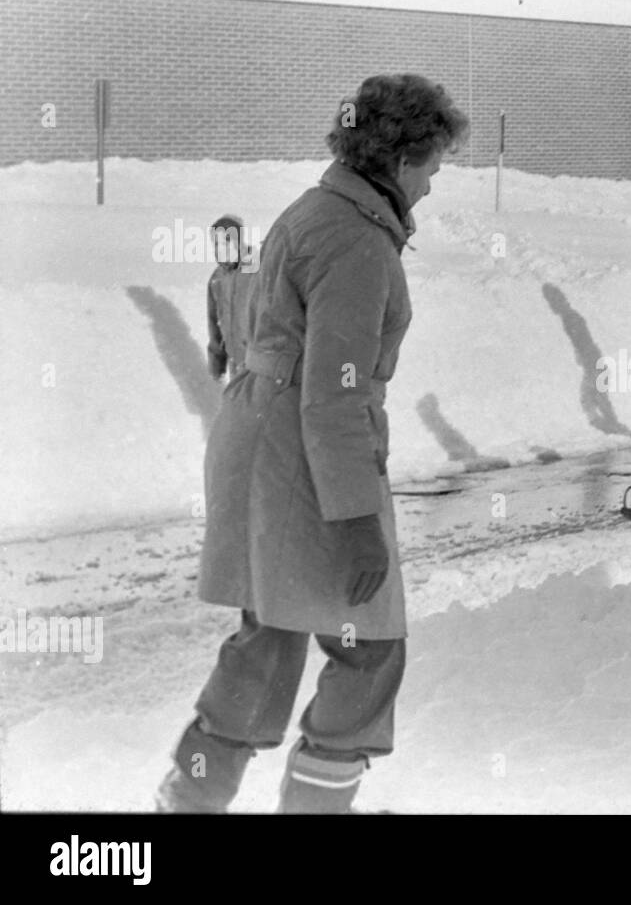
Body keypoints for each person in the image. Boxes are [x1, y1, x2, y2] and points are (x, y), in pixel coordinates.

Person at [157, 74, 468, 814]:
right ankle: (316, 806)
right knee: (369, 646)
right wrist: (358, 522)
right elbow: (336, 392)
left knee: (269, 635)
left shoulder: (317, 210)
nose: (432, 184)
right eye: (431, 167)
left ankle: (187, 802)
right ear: (401, 162)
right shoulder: (357, 242)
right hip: (304, 452)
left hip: (262, 434)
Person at [205, 213, 256, 381]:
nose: (221, 247)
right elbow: (215, 324)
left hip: (261, 368)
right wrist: (216, 364)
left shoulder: (259, 270)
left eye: (227, 241)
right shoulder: (217, 279)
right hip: (236, 366)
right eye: (216, 243)